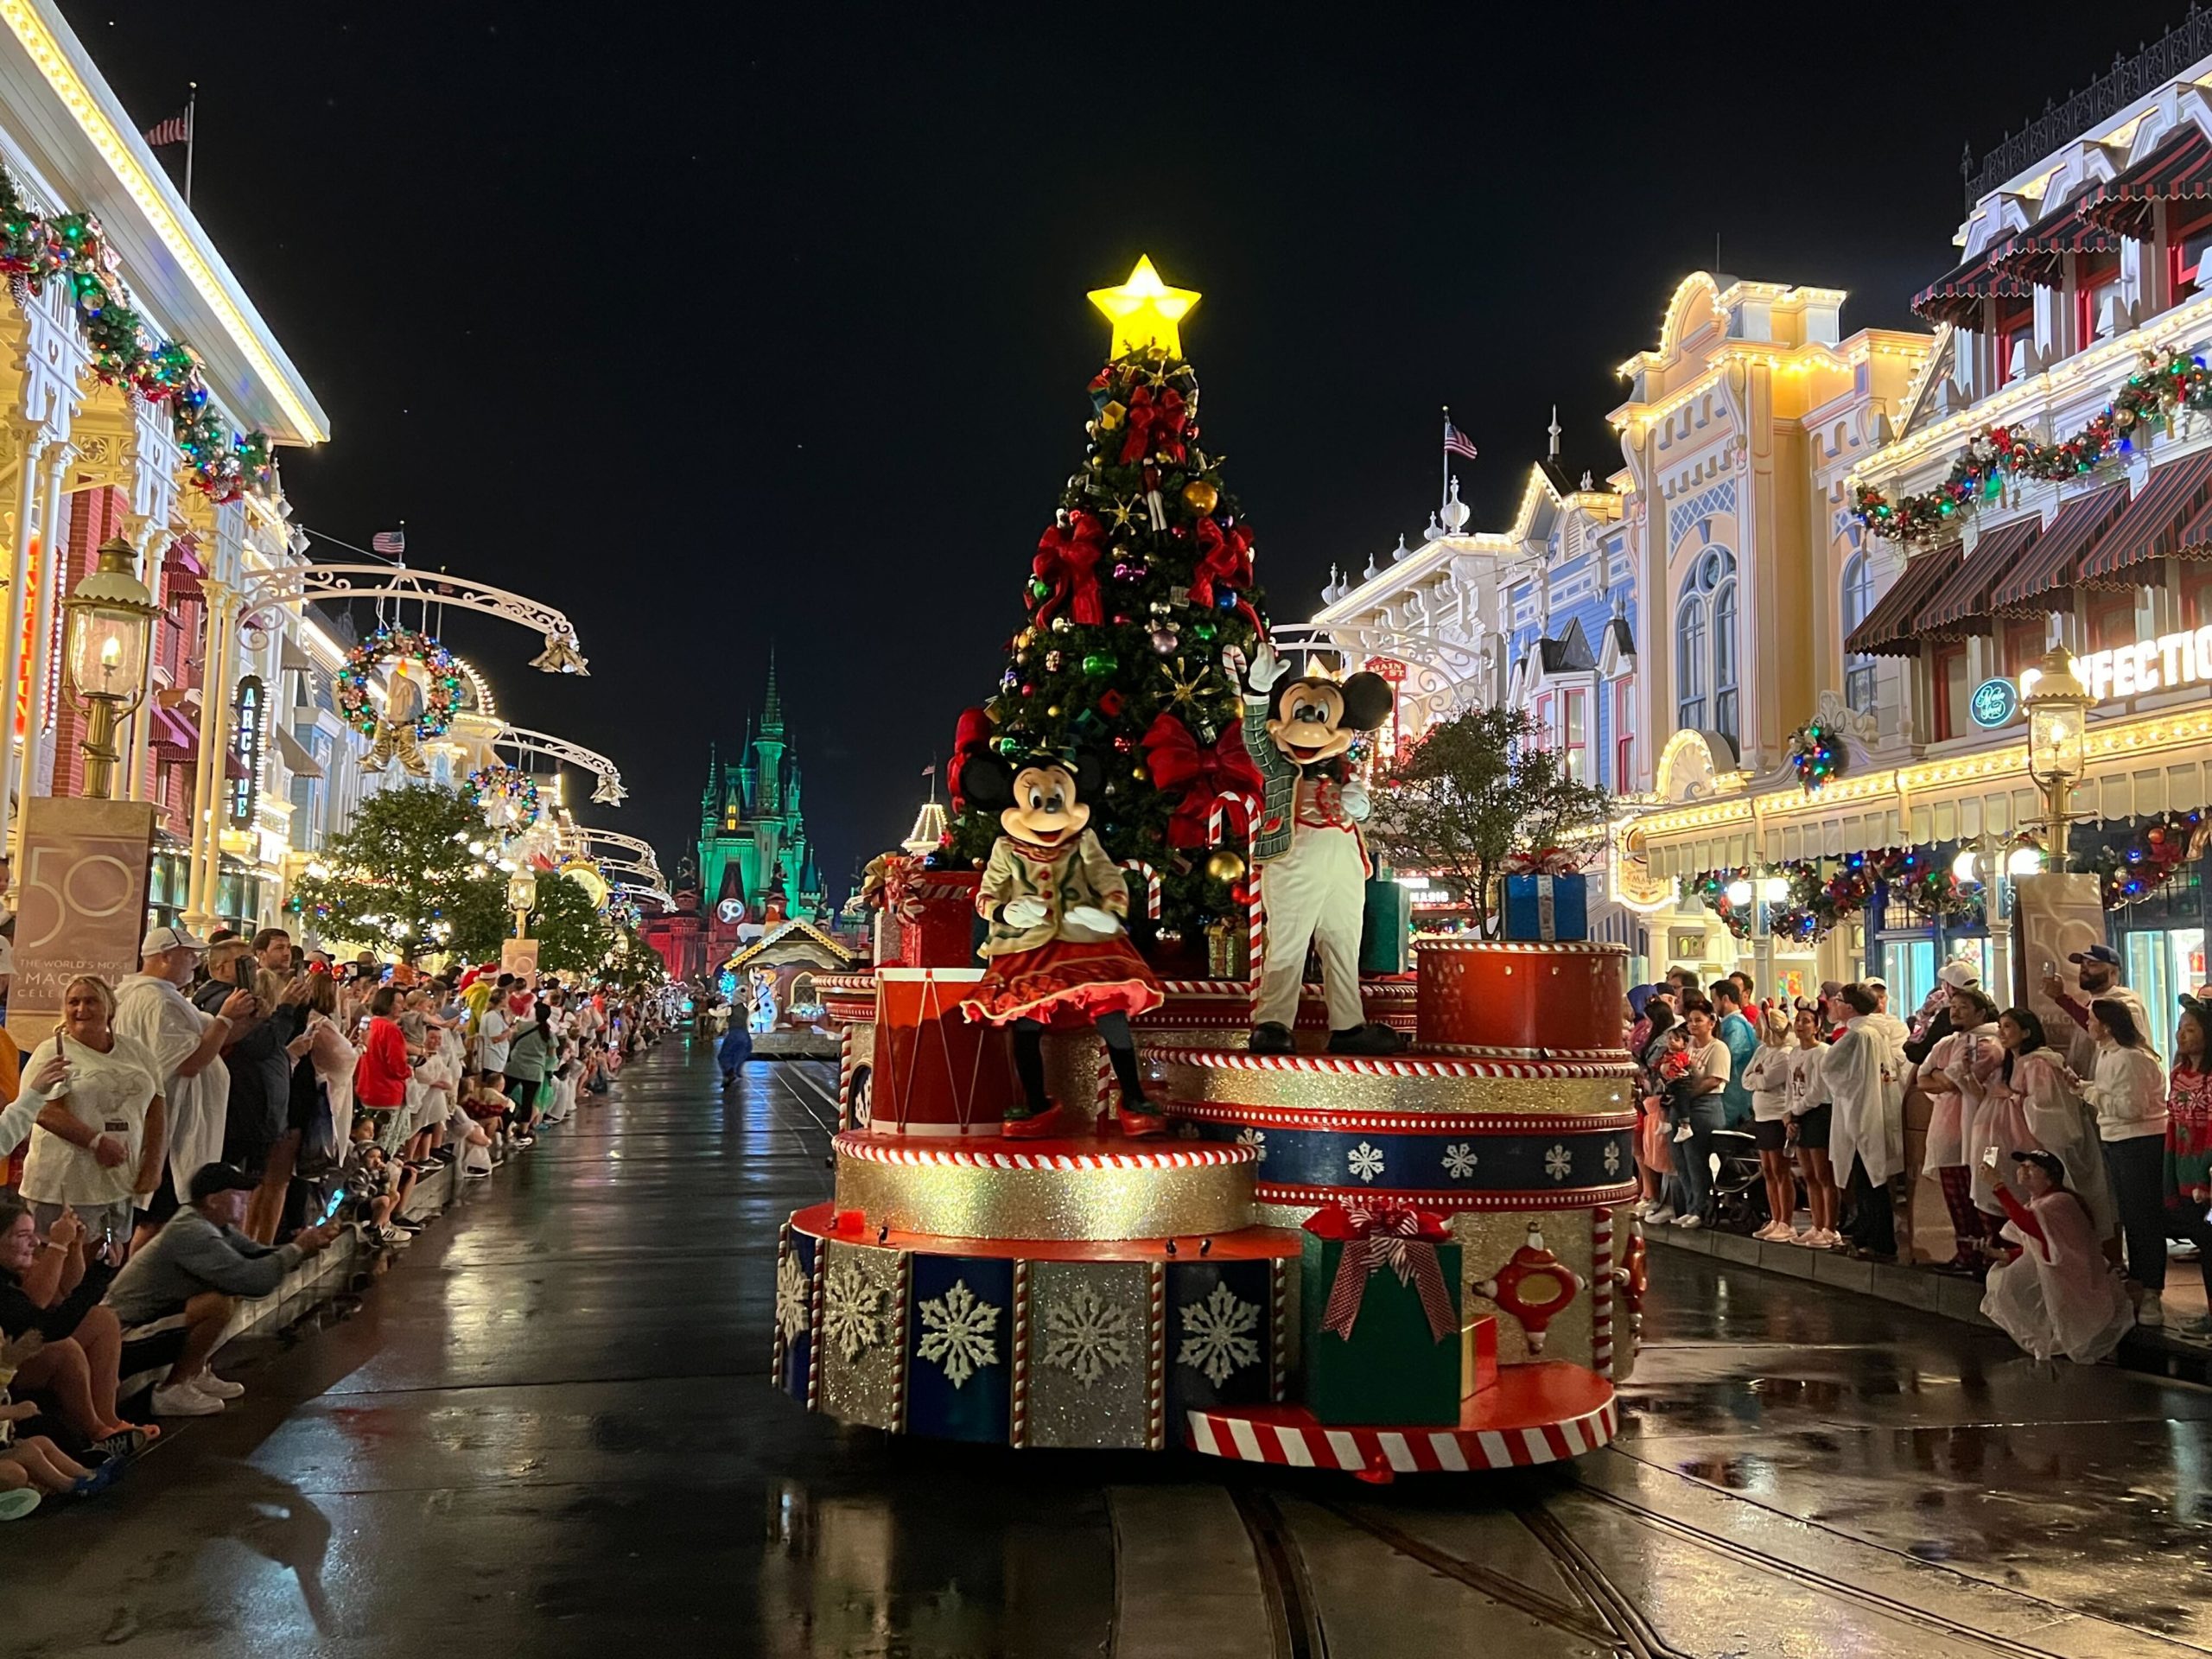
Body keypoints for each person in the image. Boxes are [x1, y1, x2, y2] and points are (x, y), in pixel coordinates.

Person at [105, 1162, 341, 1415]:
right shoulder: (192, 1230)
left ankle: (195, 1373)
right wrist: (297, 1249)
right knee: (217, 1304)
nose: (246, 1200)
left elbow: (256, 1257)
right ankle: (173, 1389)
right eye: (238, 1194)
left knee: (227, 1293)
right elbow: (254, 1280)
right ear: (213, 1200)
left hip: (145, 1324)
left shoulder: (211, 1225)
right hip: (122, 1337)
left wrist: (303, 1248)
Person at [114, 927, 255, 1248]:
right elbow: (191, 1061)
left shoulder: (164, 995)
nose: (196, 962)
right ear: (165, 957)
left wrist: (246, 1016)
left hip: (172, 1120)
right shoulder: (155, 1000)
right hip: (170, 1123)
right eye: (189, 955)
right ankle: (136, 1286)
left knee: (162, 1216)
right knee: (158, 1217)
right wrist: (226, 1018)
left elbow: (217, 1034)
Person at [19, 976, 167, 1262]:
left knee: (105, 1264)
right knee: (57, 1268)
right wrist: (96, 1141)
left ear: (109, 1008)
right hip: (64, 1185)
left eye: (91, 1001)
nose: (81, 1009)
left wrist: (153, 1164)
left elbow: (157, 1107)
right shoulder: (53, 1051)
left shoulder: (136, 1051)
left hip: (118, 1181)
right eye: (73, 1002)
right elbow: (42, 1109)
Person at [0, 1200, 150, 1450]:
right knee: (64, 1348)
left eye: (33, 1233)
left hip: (17, 1348)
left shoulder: (14, 1264)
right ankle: (97, 1433)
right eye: (23, 1235)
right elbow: (40, 1316)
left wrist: (75, 1245)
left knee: (102, 1319)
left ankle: (109, 1419)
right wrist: (58, 1246)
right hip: (9, 1360)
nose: (35, 1242)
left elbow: (67, 1291)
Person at [1974, 1006, 2118, 1246]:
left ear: (2027, 1032)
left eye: (2008, 1026)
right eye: (2000, 1027)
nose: (2002, 1032)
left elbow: (2047, 1108)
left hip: (2041, 1142)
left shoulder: (2038, 1063)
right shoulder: (2016, 1063)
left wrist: (2013, 1097)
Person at [1980, 1148, 2133, 1363]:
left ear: (2049, 1176)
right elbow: (2036, 1248)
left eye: (2032, 1167)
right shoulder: (2038, 1203)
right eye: (2022, 1165)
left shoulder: (2060, 1202)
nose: (2023, 1170)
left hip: (2077, 1278)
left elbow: (2030, 1226)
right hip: (2059, 1278)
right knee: (2003, 1279)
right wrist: (2002, 1254)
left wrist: (1998, 1186)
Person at [2079, 996, 2171, 1326]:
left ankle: (2151, 1290)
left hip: (2139, 1143)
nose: (2087, 1025)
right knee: (2131, 1216)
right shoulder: (2107, 1054)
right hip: (2118, 1141)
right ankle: (2139, 1282)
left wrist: (2091, 1094)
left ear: (2106, 1025)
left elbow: (2130, 1107)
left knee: (2143, 1218)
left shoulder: (2130, 1058)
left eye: (2091, 1020)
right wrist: (2086, 1088)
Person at [1810, 984, 1904, 1260]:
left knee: (1868, 1184)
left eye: (1836, 1001)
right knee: (1870, 1182)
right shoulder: (1875, 1032)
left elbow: (1830, 1069)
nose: (1832, 1005)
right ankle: (1868, 1236)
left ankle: (1879, 1242)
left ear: (1849, 1007)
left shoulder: (1859, 1035)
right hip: (1872, 1110)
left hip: (1861, 1112)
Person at [1918, 986, 2003, 1273]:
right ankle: (1965, 1253)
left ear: (1981, 1013)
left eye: (1963, 1007)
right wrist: (1941, 1078)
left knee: (1980, 1196)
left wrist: (1941, 1077)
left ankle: (1987, 1256)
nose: (1954, 1011)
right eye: (1952, 1006)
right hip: (1947, 1127)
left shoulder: (1989, 1043)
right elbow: (1922, 1077)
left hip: (1978, 1126)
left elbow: (1953, 1081)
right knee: (1956, 1197)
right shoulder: (1948, 1042)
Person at [2161, 995, 2212, 1340]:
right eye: (2180, 1028)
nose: (2182, 1035)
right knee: (2207, 1249)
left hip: (2208, 1178)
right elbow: (2171, 1128)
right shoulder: (2178, 1074)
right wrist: (2170, 1177)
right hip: (2184, 1171)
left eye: (2190, 1029)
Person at [1664, 999, 1730, 1230]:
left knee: (1696, 1159)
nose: (1693, 1025)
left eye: (1698, 1021)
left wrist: (1689, 1093)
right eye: (1690, 1021)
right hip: (1682, 1106)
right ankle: (1689, 1206)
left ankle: (1702, 1208)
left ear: (1711, 1022)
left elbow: (1715, 1079)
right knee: (1680, 1159)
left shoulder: (1718, 1048)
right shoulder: (1688, 1045)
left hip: (1705, 1106)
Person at [2044, 944, 2156, 1077]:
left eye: (2092, 965)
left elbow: (2111, 1028)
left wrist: (2062, 999)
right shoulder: (2092, 1002)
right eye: (2082, 965)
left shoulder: (2125, 1000)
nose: (2084, 970)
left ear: (2113, 973)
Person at [1740, 1005, 1800, 1241]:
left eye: (1758, 1025)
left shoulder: (1785, 1054)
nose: (1755, 1028)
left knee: (1780, 1170)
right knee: (1767, 1170)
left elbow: (1766, 1081)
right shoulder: (1763, 1050)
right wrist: (1759, 1076)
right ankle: (1775, 1218)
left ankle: (1786, 1221)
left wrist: (1759, 1076)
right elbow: (1747, 1078)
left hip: (1777, 1116)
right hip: (1762, 1116)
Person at [1783, 1001, 1840, 1246]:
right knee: (1809, 1174)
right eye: (1798, 1020)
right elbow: (1789, 1087)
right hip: (1799, 1113)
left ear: (1817, 1026)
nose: (1801, 1025)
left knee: (1823, 1173)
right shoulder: (1795, 1053)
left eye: (1807, 1021)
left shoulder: (1823, 1052)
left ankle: (1830, 1227)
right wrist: (1788, 1115)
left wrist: (1796, 1110)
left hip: (1818, 1113)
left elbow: (1818, 1090)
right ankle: (1816, 1224)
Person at [353, 987, 413, 1154]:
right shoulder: (391, 1030)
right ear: (387, 1004)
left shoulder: (370, 1025)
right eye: (399, 1002)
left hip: (366, 1089)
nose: (403, 1007)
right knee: (384, 1146)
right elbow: (397, 1066)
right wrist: (409, 1071)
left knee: (367, 1140)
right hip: (387, 1093)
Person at [1710, 981, 1759, 1131]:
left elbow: (1728, 1059)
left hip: (1735, 1096)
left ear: (1725, 999)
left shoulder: (1736, 1027)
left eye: (1714, 1000)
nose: (1713, 1006)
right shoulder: (1730, 1024)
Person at [503, 1001, 554, 1143]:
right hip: (535, 1071)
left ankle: (503, 1125)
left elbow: (511, 1041)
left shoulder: (522, 1026)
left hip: (514, 1066)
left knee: (504, 1096)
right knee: (528, 1101)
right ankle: (523, 1132)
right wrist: (548, 1070)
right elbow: (552, 1055)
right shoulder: (548, 1033)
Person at [718, 1019, 753, 1090]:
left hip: (734, 1032)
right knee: (738, 1055)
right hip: (744, 1034)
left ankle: (730, 1072)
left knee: (724, 1055)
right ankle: (735, 1072)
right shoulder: (745, 1010)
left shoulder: (731, 1009)